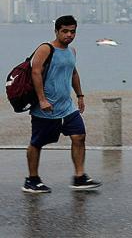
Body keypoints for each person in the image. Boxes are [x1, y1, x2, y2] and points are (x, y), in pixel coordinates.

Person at [24, 15, 101, 193]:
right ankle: (32, 179)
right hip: (46, 107)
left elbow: (73, 73)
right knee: (37, 142)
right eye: (65, 31)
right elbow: (35, 73)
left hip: (67, 106)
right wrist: (42, 100)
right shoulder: (45, 49)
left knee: (79, 136)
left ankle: (79, 177)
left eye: (72, 32)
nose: (69, 35)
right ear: (57, 31)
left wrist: (80, 95)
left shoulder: (71, 51)